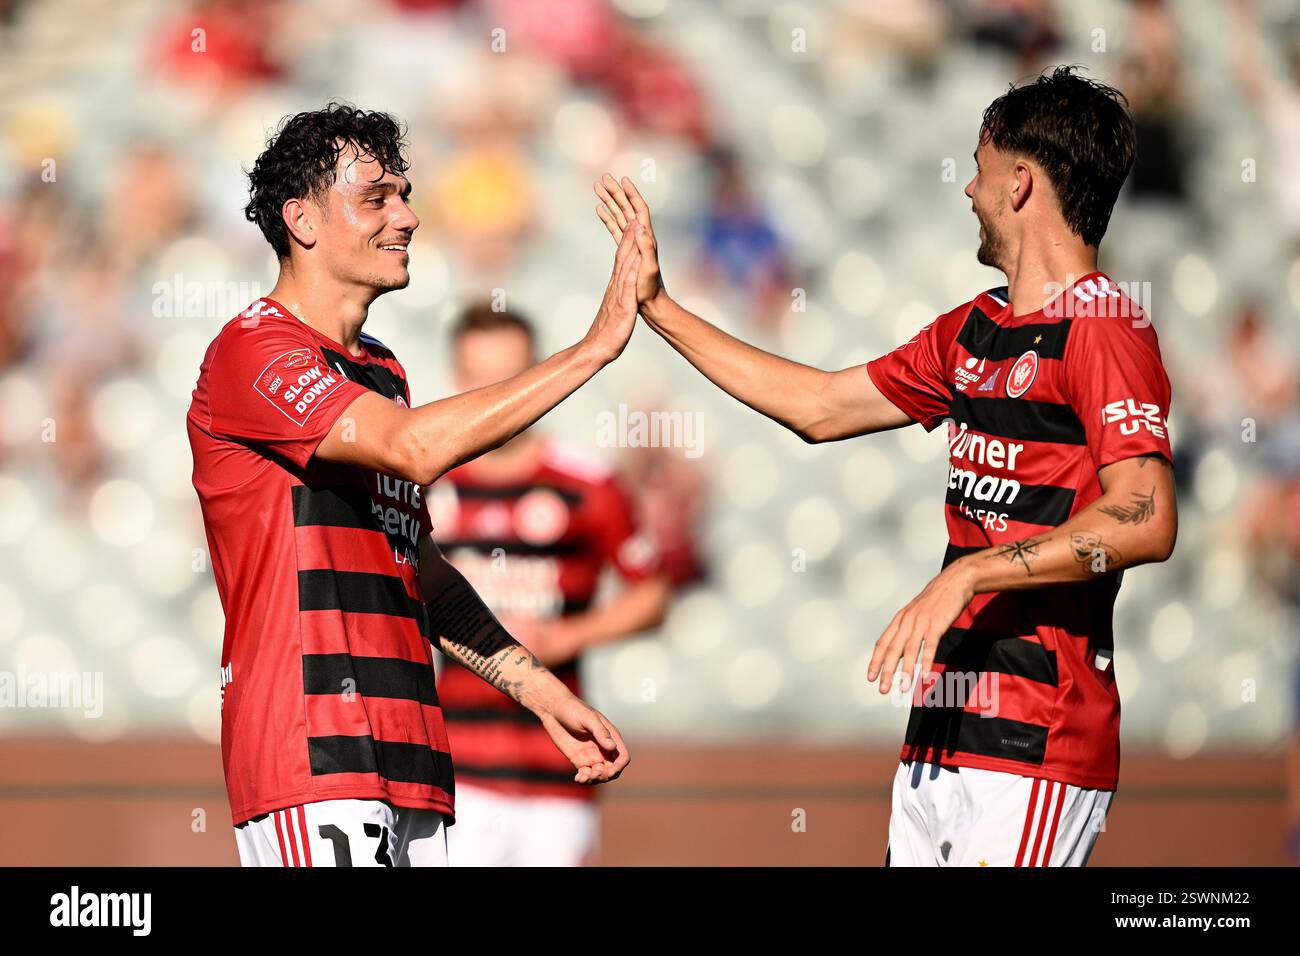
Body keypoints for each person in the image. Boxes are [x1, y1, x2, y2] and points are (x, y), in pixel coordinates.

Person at [594, 66, 1178, 867]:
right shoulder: (974, 329)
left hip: (1037, 736)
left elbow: (1146, 516)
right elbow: (821, 407)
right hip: (942, 728)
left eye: (977, 167)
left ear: (1019, 182)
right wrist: (658, 308)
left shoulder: (1104, 328)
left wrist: (970, 575)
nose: (966, 190)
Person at [187, 102, 641, 867]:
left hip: (413, 762)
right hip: (314, 757)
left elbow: (420, 571)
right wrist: (594, 349)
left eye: (404, 194)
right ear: (302, 221)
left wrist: (540, 692)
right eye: (377, 198)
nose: (409, 217)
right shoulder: (252, 351)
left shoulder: (383, 368)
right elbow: (415, 449)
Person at [431, 304, 671, 866]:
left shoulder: (587, 485)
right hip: (453, 773)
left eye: (511, 378)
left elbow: (653, 594)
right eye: (479, 379)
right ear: (456, 380)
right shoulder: (427, 486)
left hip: (561, 773)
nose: (496, 395)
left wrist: (568, 636)